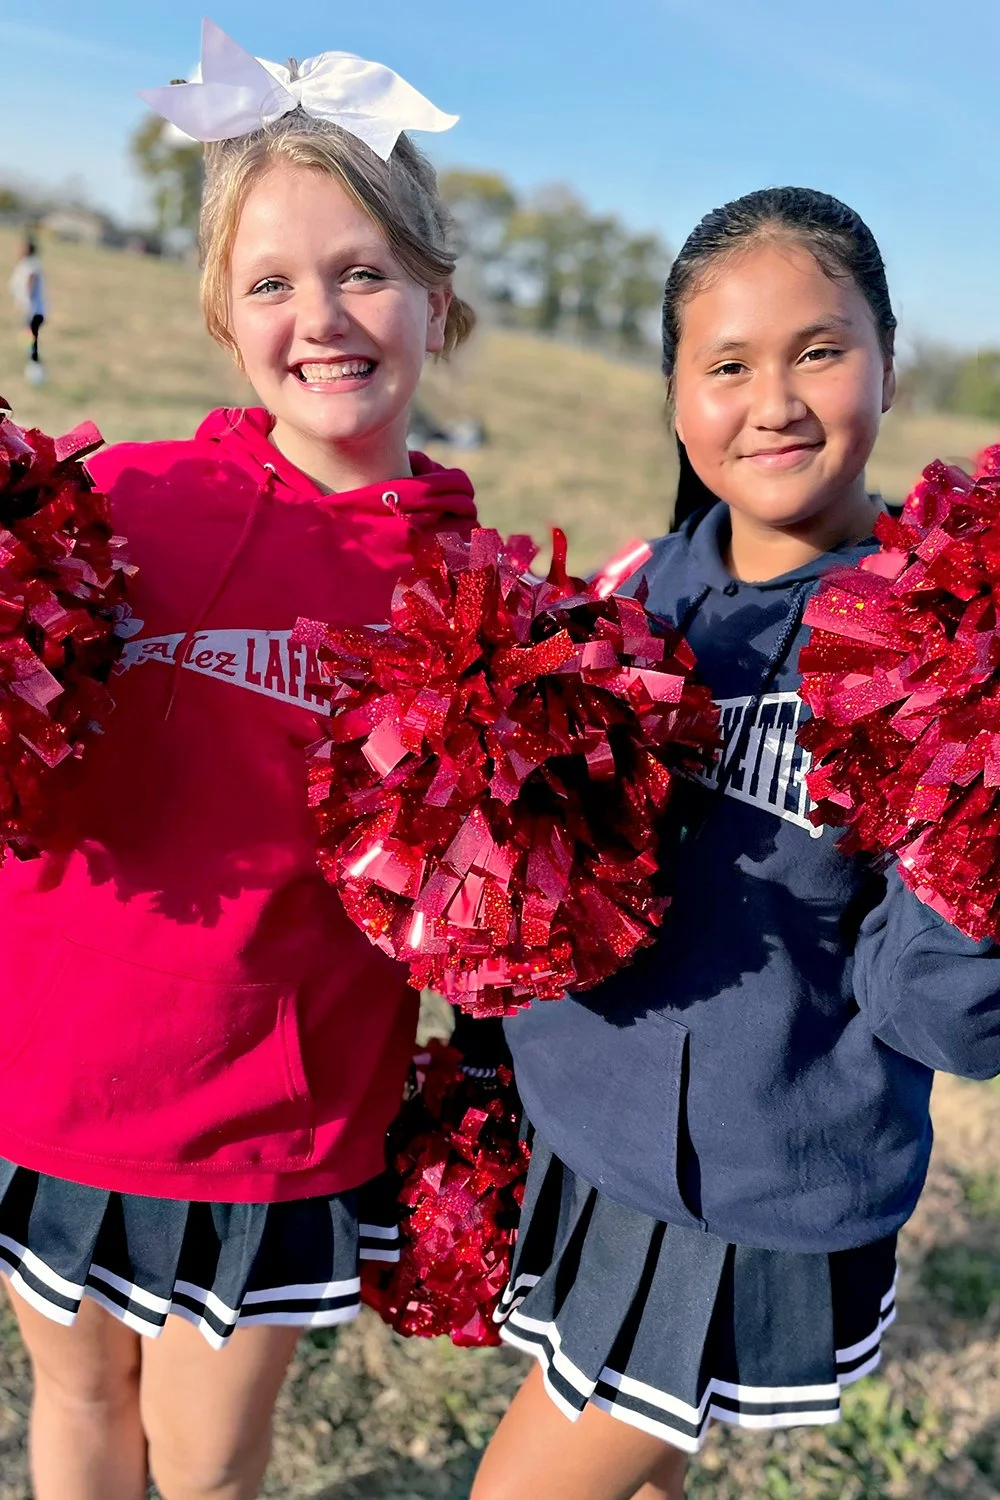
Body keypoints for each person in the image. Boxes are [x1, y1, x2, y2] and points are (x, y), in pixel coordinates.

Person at [0, 22, 479, 1500]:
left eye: (364, 273)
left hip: (275, 1119)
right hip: (47, 1070)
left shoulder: (478, 602)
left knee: (205, 1463)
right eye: (271, 283)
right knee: (79, 1400)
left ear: (437, 300)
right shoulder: (115, 502)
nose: (320, 318)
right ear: (222, 310)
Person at [472, 187, 1000, 1500]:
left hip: (732, 1191)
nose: (774, 402)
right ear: (673, 396)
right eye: (727, 366)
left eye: (818, 351)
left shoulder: (939, 651)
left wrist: (975, 838)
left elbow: (940, 1017)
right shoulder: (633, 593)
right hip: (583, 1134)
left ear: (890, 363)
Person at [9, 234, 46, 385]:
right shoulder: (26, 264)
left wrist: (25, 303)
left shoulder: (31, 265)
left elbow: (30, 285)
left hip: (33, 311)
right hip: (29, 310)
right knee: (28, 340)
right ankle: (34, 367)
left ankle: (36, 371)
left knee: (30, 340)